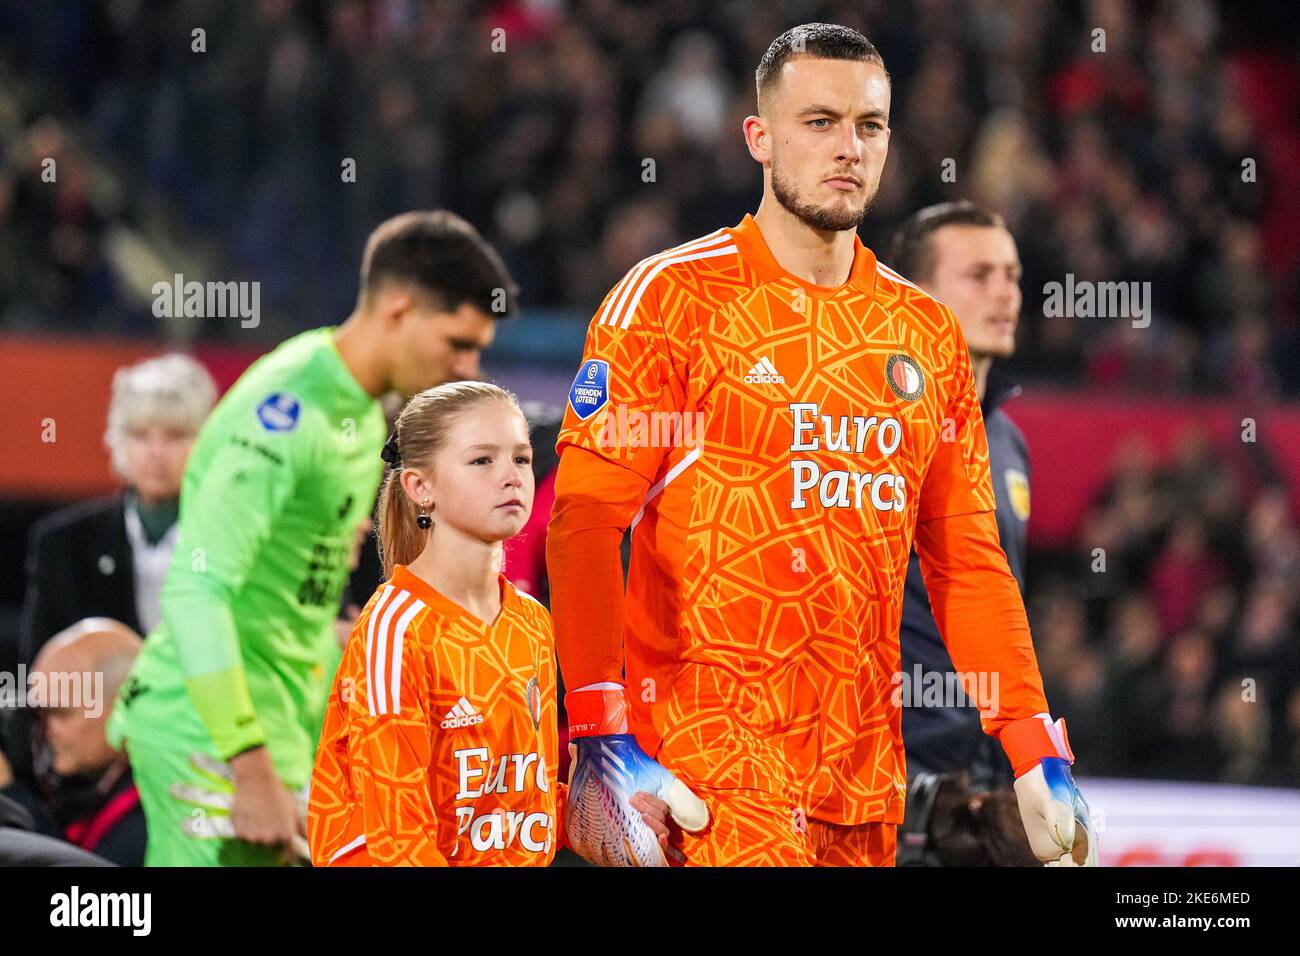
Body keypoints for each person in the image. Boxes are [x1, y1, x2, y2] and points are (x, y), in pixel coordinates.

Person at [547, 23, 1093, 867]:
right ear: (759, 138)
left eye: (869, 125)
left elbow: (967, 562)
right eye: (820, 121)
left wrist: (1031, 741)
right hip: (708, 783)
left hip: (865, 786)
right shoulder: (672, 299)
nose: (849, 148)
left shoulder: (924, 331)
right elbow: (584, 523)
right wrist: (596, 731)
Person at [108, 210, 519, 866]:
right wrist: (250, 767)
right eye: (457, 343)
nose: (466, 366)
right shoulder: (285, 411)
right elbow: (194, 588)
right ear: (398, 309)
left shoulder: (359, 411)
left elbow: (288, 592)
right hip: (209, 731)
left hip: (281, 721)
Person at [308, 382, 668, 865]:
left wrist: (599, 816)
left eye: (520, 459)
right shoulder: (395, 631)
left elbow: (516, 799)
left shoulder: (532, 623)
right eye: (482, 461)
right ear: (420, 487)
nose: (512, 476)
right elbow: (399, 842)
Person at [889, 202, 1031, 791]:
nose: (1006, 295)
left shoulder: (1006, 439)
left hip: (984, 778)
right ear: (916, 295)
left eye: (1013, 276)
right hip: (894, 773)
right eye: (979, 276)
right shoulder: (874, 427)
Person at [18, 354, 217, 667]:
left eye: (175, 436)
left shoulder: (232, 540)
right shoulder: (64, 544)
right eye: (140, 435)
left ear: (206, 441)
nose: (156, 453)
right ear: (117, 440)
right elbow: (43, 675)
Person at [0, 618, 147, 866]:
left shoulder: (156, 811)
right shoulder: (83, 782)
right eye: (40, 713)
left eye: (61, 713)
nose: (46, 730)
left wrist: (11, 795)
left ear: (123, 708)